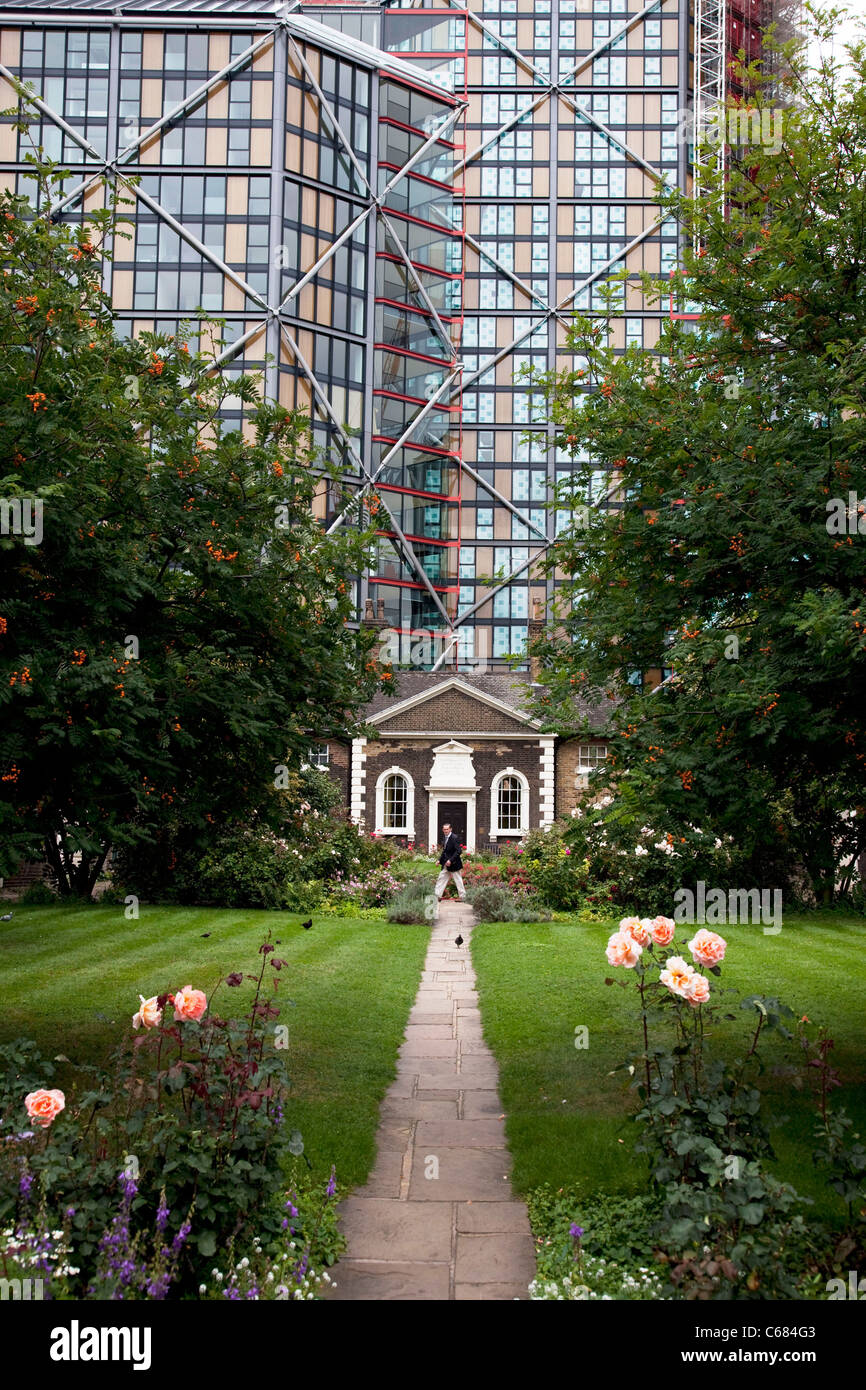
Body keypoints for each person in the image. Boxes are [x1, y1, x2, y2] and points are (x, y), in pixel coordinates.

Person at [434, 822, 466, 907]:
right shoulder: (445, 838)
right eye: (444, 829)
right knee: (441, 878)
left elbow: (459, 851)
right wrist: (439, 861)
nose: (445, 831)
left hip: (454, 864)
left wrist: (451, 860)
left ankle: (462, 897)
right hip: (446, 864)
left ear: (450, 829)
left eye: (447, 829)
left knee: (458, 880)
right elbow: (444, 852)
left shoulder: (454, 838)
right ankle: (437, 896)